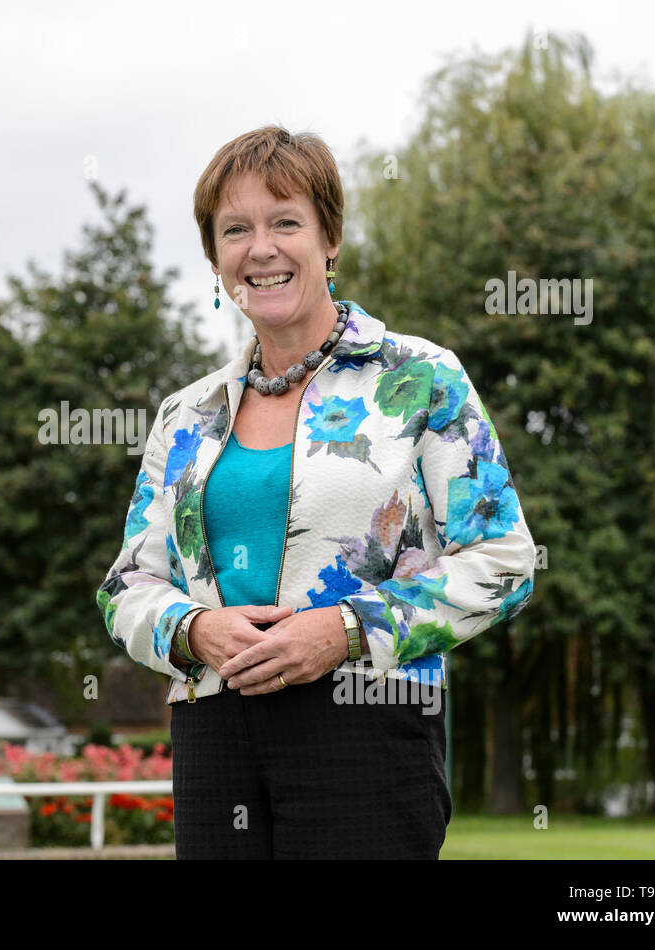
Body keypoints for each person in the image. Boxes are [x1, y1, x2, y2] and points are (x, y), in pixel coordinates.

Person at [95, 125, 536, 859]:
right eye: (235, 229)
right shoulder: (184, 416)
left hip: (369, 723)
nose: (260, 248)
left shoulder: (422, 379)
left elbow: (505, 560)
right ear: (215, 259)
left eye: (285, 222)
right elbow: (125, 585)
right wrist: (190, 629)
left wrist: (349, 629)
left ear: (329, 238)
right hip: (212, 736)